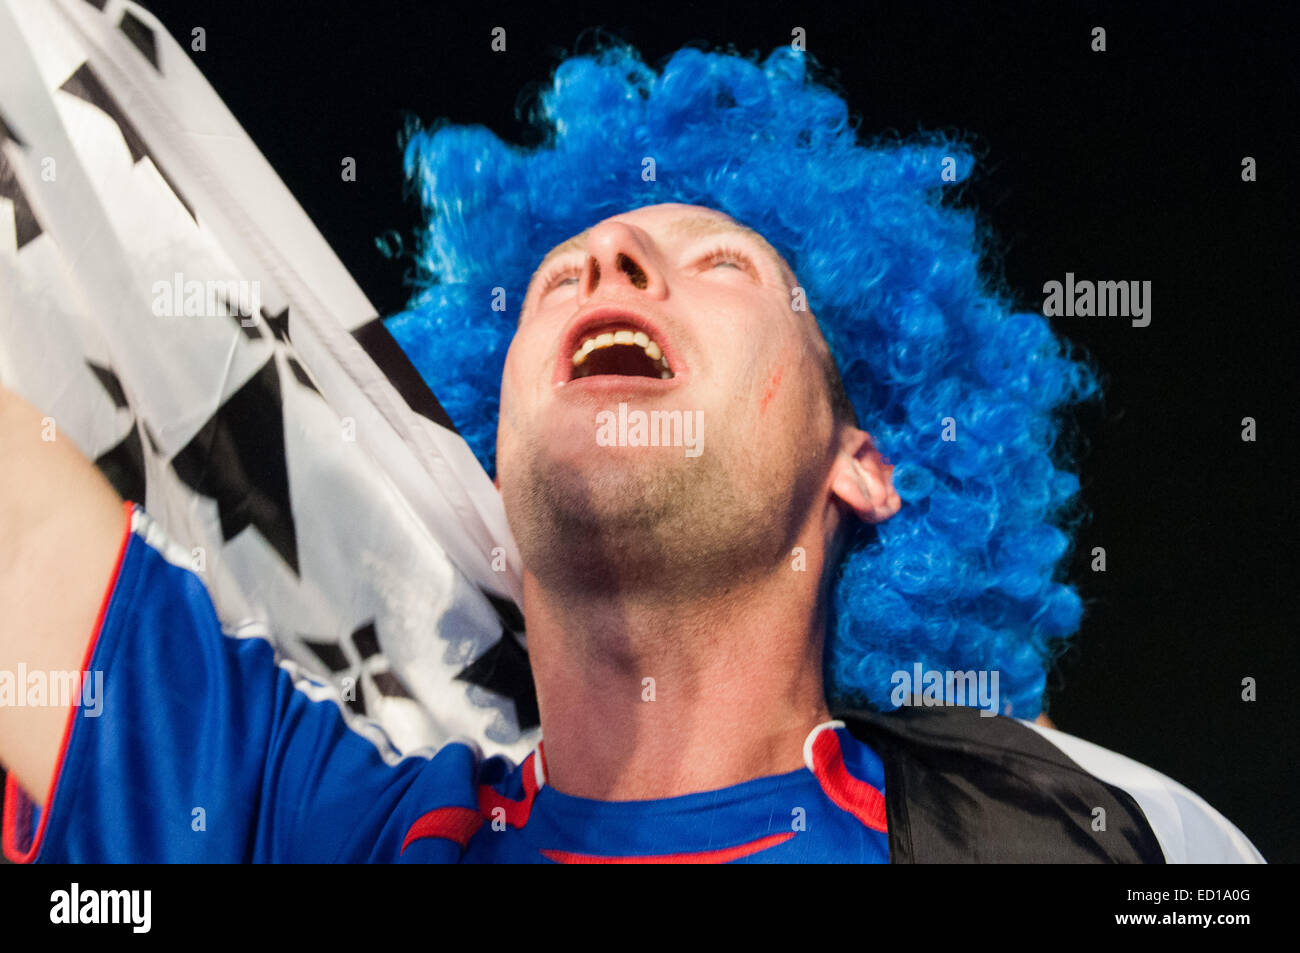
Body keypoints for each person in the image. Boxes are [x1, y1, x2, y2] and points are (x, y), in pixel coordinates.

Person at [0, 44, 1263, 863]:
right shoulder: (299, 823)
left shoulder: (1082, 839)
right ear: (496, 475)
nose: (611, 263)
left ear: (863, 465)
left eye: (719, 264)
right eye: (565, 273)